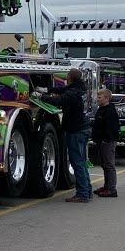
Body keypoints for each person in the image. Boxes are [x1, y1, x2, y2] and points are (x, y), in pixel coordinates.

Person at [41, 68, 93, 203]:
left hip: (76, 130)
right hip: (84, 128)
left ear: (69, 78)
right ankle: (87, 190)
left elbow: (59, 101)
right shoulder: (80, 89)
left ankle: (82, 194)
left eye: (67, 76)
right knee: (81, 161)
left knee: (77, 162)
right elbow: (63, 91)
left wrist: (41, 97)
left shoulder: (73, 93)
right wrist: (48, 90)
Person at [91, 87, 119, 197]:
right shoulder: (101, 109)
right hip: (101, 141)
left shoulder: (109, 111)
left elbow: (111, 127)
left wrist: (105, 139)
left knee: (109, 164)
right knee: (104, 164)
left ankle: (112, 189)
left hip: (107, 141)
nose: (97, 99)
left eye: (99, 97)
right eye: (97, 97)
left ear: (106, 98)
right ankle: (107, 186)